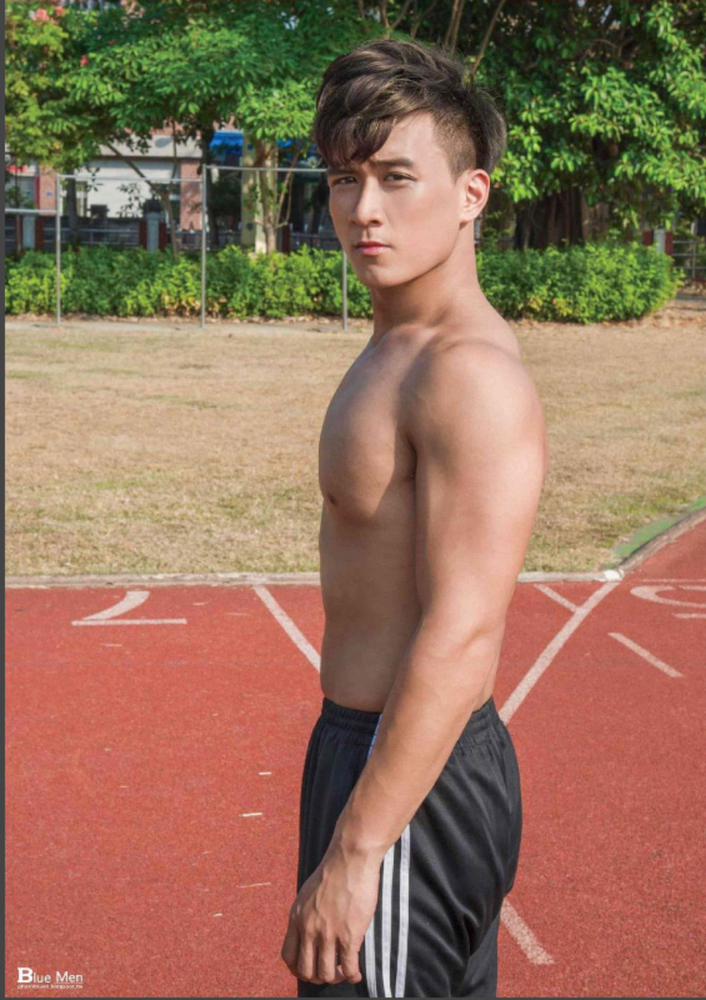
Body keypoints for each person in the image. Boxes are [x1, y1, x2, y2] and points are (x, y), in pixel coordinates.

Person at [281, 37, 548, 998]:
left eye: (397, 177)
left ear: (472, 194)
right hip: (365, 752)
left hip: (405, 779)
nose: (364, 209)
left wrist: (358, 851)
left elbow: (463, 632)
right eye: (344, 179)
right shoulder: (398, 343)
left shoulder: (465, 374)